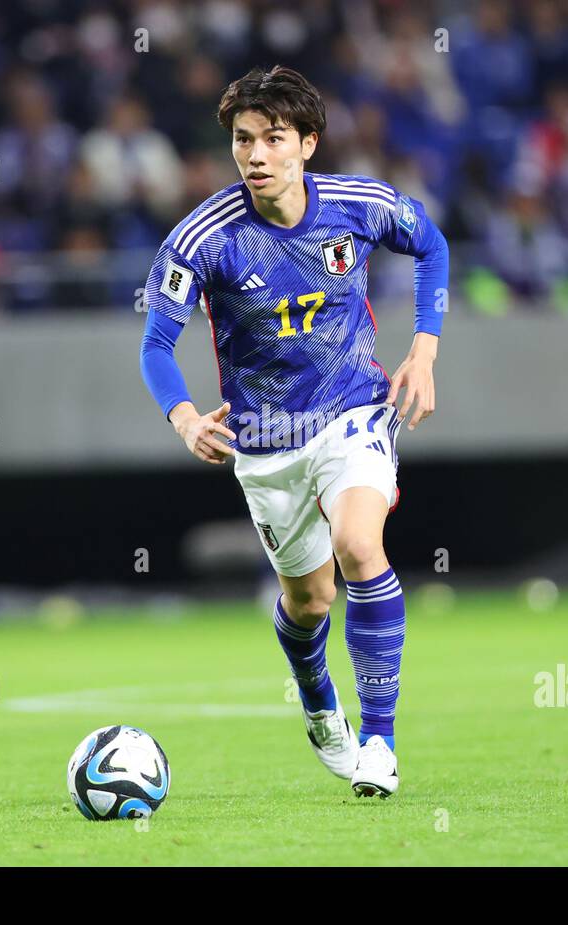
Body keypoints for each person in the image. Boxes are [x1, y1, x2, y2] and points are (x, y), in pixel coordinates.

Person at [139, 66, 448, 798]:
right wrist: (185, 417)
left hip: (352, 413)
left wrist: (424, 349)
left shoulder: (359, 205)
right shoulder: (203, 238)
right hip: (265, 443)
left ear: (308, 143)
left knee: (359, 546)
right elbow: (156, 345)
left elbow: (431, 244)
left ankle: (380, 741)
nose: (255, 154)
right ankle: (317, 701)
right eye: (243, 139)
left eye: (273, 138)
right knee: (310, 602)